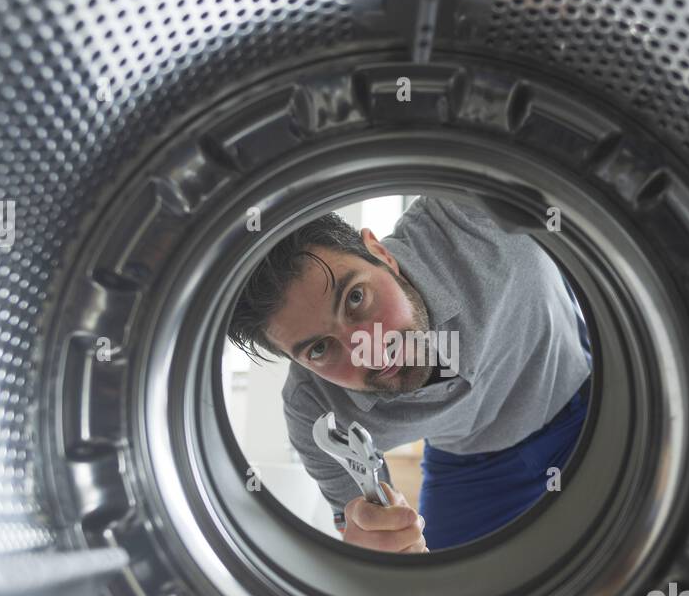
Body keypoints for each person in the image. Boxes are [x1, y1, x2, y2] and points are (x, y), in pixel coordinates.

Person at [227, 196, 592, 551]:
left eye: (355, 298)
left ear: (381, 254)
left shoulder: (464, 211)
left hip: (592, 403)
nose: (367, 348)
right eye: (319, 349)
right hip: (471, 471)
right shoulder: (313, 409)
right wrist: (377, 542)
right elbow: (361, 521)